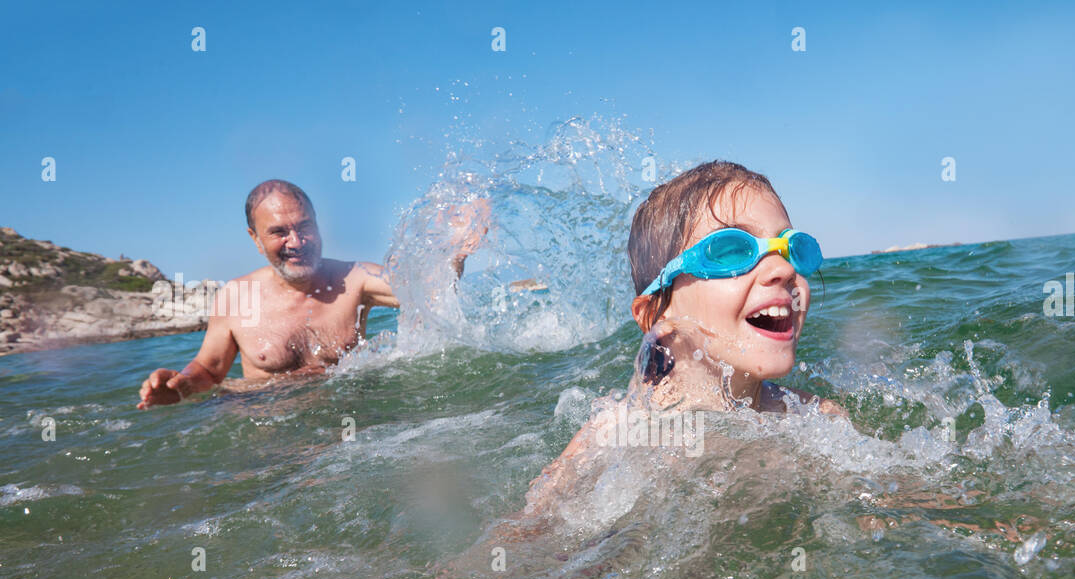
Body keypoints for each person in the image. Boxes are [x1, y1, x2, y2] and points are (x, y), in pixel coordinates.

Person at [525, 160, 845, 502]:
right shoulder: (613, 435)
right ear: (656, 315)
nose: (782, 269)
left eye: (792, 249)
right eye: (732, 250)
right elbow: (525, 535)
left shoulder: (815, 416)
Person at [136, 180, 485, 409]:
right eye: (278, 232)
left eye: (305, 227)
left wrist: (452, 253)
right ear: (255, 239)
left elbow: (430, 293)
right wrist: (181, 385)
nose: (296, 242)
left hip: (353, 429)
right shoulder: (237, 296)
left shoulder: (356, 278)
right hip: (272, 439)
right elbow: (210, 372)